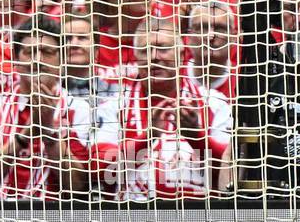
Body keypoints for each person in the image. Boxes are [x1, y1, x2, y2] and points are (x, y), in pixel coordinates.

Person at [94, 21, 233, 201]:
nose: (153, 57)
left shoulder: (215, 103)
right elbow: (100, 169)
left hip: (201, 217)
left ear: (181, 53)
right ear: (135, 58)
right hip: (133, 220)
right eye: (145, 51)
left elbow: (230, 171)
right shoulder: (114, 107)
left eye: (162, 48)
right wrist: (148, 136)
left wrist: (196, 137)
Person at [0, 15, 93, 200]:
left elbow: (80, 186)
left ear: (62, 60)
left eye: (47, 51)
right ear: (15, 60)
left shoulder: (78, 109)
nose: (37, 60)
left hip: (58, 220)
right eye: (29, 52)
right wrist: (23, 137)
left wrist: (50, 135)